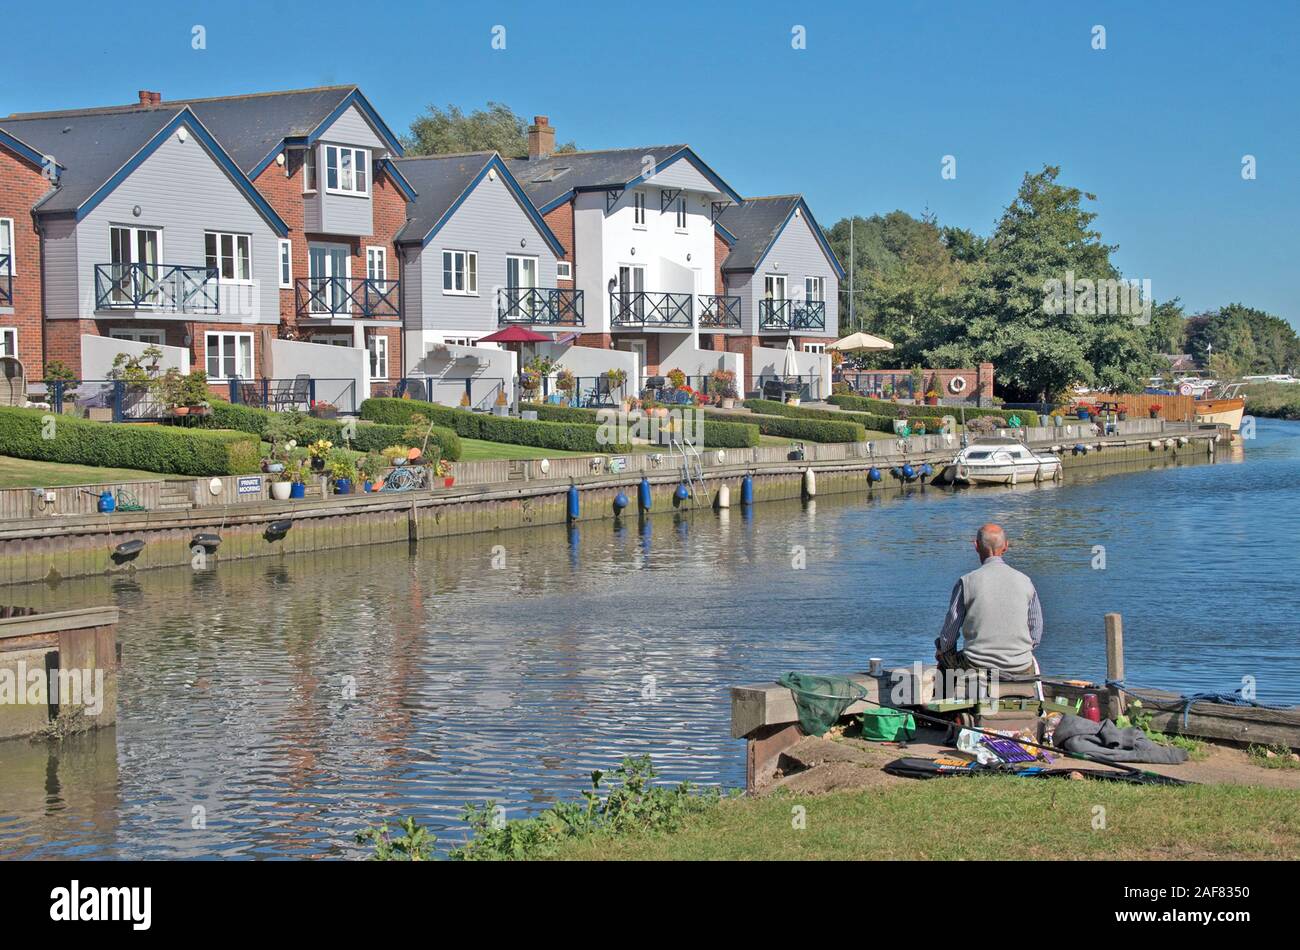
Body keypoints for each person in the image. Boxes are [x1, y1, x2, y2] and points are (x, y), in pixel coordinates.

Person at [935, 524, 1042, 676]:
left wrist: (943, 651)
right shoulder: (1026, 582)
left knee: (944, 653)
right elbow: (1035, 634)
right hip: (1021, 666)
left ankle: (944, 697)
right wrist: (1015, 655)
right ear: (1005, 547)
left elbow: (949, 635)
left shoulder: (966, 582)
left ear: (976, 546)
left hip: (977, 665)